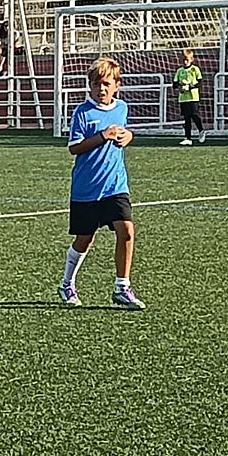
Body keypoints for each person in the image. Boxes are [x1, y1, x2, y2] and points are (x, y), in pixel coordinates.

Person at [59, 56, 144, 310]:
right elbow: (74, 147)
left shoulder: (122, 108)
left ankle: (122, 287)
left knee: (127, 230)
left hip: (115, 185)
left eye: (106, 84)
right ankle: (67, 283)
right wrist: (101, 137)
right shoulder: (82, 112)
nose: (101, 89)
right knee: (85, 238)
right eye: (96, 84)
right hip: (87, 189)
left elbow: (124, 133)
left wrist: (128, 136)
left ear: (117, 85)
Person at [174, 49, 206, 145]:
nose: (185, 62)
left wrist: (190, 86)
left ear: (191, 59)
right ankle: (188, 138)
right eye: (183, 60)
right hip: (183, 98)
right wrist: (180, 87)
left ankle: (201, 130)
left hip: (193, 97)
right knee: (186, 118)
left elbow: (200, 83)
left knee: (194, 115)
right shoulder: (179, 71)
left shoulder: (195, 69)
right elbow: (174, 84)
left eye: (187, 60)